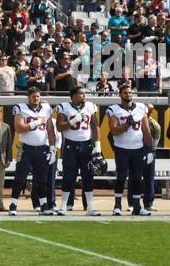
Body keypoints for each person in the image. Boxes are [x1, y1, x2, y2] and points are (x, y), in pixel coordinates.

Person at [107, 83, 154, 216]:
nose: (128, 95)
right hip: (122, 148)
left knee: (137, 178)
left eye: (130, 93)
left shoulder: (141, 107)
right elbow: (114, 131)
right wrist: (127, 124)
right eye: (126, 93)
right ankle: (117, 205)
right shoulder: (114, 109)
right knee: (121, 177)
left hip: (138, 148)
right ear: (120, 95)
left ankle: (137, 206)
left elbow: (146, 130)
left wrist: (149, 149)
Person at [55, 84, 101, 216]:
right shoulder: (64, 107)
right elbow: (59, 127)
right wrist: (73, 121)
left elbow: (95, 126)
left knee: (88, 176)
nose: (84, 96)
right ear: (74, 95)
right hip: (70, 146)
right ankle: (63, 206)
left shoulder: (90, 106)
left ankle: (90, 207)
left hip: (86, 146)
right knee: (69, 177)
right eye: (81, 94)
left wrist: (97, 146)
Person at [10, 86, 55, 216]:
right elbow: (19, 128)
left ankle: (43, 204)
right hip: (26, 148)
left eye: (37, 96)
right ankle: (13, 204)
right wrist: (36, 123)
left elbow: (50, 129)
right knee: (20, 177)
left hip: (42, 148)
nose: (36, 99)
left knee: (42, 179)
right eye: (33, 96)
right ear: (28, 97)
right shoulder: (20, 108)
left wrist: (52, 148)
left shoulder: (46, 108)